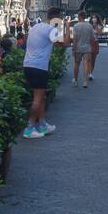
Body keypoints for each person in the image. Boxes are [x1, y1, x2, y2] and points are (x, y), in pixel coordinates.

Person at [22, 9, 71, 139]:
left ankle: (42, 124)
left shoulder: (36, 26)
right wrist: (66, 27)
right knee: (37, 99)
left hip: (28, 65)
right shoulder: (51, 30)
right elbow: (65, 43)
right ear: (56, 18)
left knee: (41, 96)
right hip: (39, 67)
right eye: (60, 18)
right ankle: (29, 128)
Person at [70, 15, 95, 89]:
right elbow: (92, 38)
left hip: (78, 48)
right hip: (87, 48)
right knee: (86, 64)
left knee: (76, 64)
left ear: (79, 17)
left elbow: (75, 38)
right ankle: (85, 81)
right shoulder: (89, 26)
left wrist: (73, 48)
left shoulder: (76, 26)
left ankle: (75, 80)